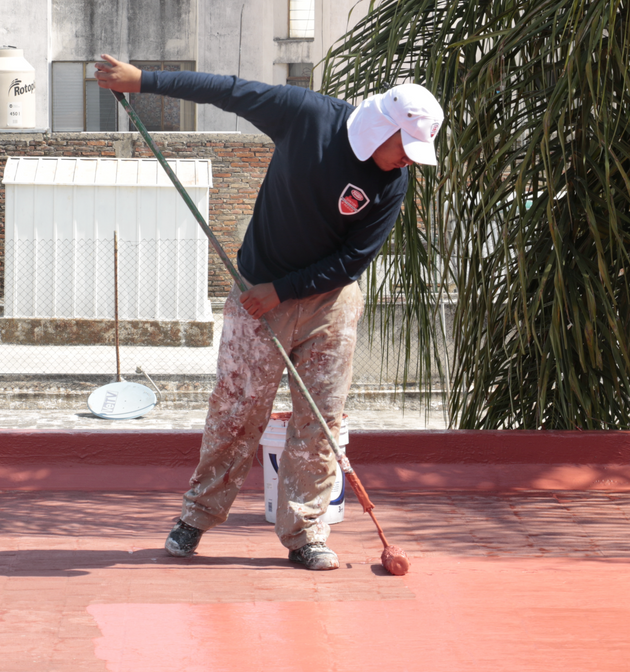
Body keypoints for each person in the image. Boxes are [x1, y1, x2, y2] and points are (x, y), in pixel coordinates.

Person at [95, 55, 443, 570]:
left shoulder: (393, 182)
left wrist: (284, 291)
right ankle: (196, 517)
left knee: (320, 420)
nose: (409, 161)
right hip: (256, 293)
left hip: (328, 303)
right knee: (235, 411)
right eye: (406, 148)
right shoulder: (305, 115)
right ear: (381, 128)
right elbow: (226, 89)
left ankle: (306, 535)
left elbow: (354, 260)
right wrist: (142, 82)